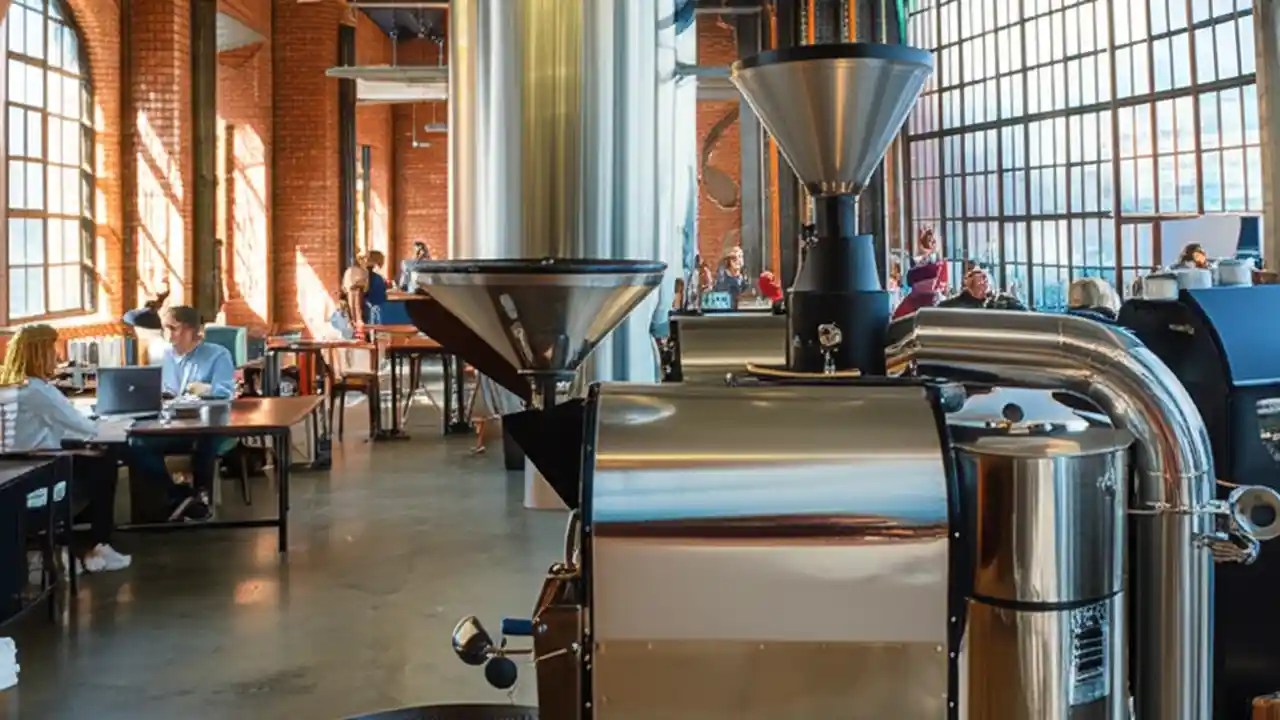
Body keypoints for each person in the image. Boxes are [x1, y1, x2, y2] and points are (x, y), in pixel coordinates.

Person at [0, 325, 131, 572]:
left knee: (94, 457)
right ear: (41, 353)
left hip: (12, 474)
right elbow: (83, 426)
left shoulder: (8, 386)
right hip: (38, 476)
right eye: (52, 349)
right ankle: (99, 544)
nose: (57, 355)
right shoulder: (38, 390)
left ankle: (85, 544)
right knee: (105, 458)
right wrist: (121, 427)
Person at [126, 306, 236, 522]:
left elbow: (225, 392)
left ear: (191, 330)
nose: (167, 334)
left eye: (173, 328)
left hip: (206, 425)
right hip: (172, 425)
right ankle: (179, 496)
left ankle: (201, 498)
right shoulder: (162, 355)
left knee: (207, 440)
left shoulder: (217, 354)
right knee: (136, 444)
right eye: (165, 328)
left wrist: (207, 390)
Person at [342, 250, 389, 331]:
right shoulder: (375, 278)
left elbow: (344, 289)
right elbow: (380, 297)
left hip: (361, 312)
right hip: (372, 311)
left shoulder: (351, 272)